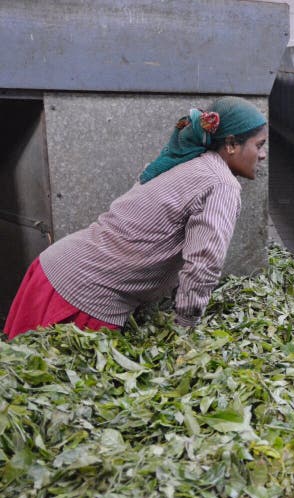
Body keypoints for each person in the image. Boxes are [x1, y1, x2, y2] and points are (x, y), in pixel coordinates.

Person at [3, 96, 268, 340]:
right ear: (231, 144)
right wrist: (185, 328)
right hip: (82, 296)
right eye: (259, 145)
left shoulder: (189, 161)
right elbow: (203, 265)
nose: (263, 155)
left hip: (55, 271)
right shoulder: (221, 183)